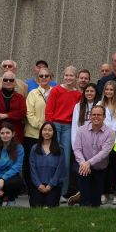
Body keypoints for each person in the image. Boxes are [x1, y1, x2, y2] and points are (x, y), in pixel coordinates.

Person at [71, 104, 116, 207]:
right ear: (90, 116)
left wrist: (88, 163)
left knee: (96, 203)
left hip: (100, 168)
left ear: (104, 117)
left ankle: (83, 196)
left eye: (99, 115)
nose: (96, 117)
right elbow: (77, 149)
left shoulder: (110, 133)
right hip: (83, 166)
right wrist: (83, 163)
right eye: (94, 114)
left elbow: (104, 152)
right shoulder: (81, 130)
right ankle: (83, 202)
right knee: (86, 199)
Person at [45, 66, 81, 196]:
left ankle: (62, 192)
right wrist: (49, 126)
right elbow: (49, 109)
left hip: (68, 127)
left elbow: (78, 113)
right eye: (66, 75)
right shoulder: (56, 90)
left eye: (71, 75)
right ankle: (50, 188)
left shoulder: (78, 95)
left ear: (76, 78)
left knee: (65, 160)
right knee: (53, 156)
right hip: (54, 125)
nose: (68, 78)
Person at [28, 122, 64, 207]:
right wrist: (39, 185)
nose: (47, 132)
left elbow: (60, 170)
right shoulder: (34, 148)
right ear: (41, 132)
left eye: (50, 130)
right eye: (45, 130)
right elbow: (32, 169)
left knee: (50, 205)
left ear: (54, 132)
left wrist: (50, 186)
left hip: (53, 185)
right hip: (38, 185)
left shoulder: (60, 149)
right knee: (36, 206)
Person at [0, 71, 27, 144]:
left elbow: (23, 113)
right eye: (5, 80)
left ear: (15, 82)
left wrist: (6, 115)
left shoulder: (20, 97)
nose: (8, 82)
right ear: (2, 81)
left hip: (15, 132)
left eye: (11, 80)